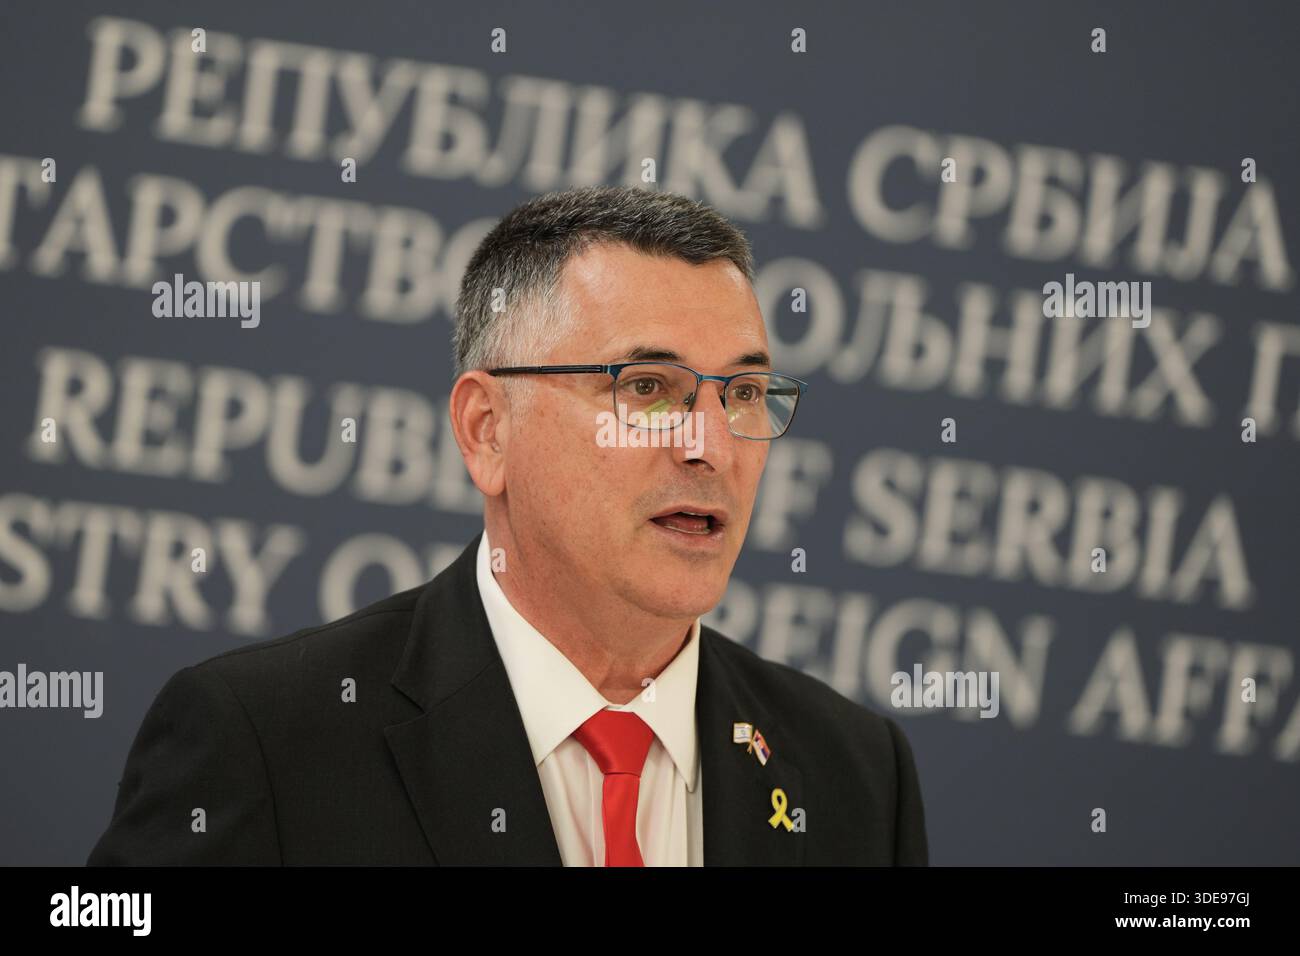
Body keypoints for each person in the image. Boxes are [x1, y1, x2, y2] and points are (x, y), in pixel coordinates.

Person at [87, 185, 928, 866]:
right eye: (645, 388)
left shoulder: (855, 776)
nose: (709, 445)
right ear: (488, 430)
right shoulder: (266, 740)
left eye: (741, 394)